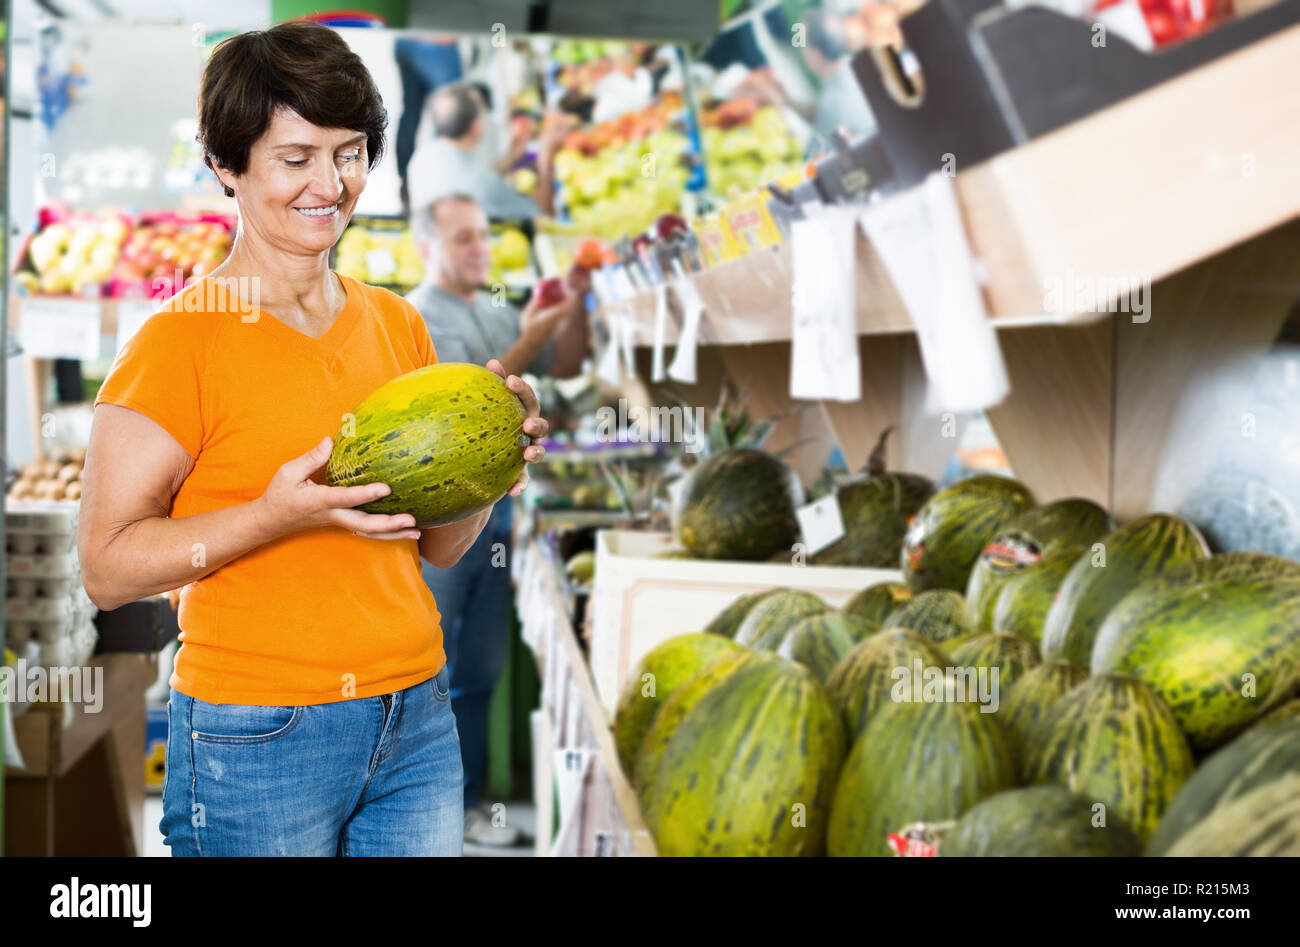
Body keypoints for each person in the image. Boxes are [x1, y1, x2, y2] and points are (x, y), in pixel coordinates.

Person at [76, 21, 549, 857]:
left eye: (351, 152)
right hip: (256, 734)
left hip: (414, 717)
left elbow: (438, 547)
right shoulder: (176, 343)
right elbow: (109, 569)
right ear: (227, 166)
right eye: (295, 158)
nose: (329, 184)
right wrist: (277, 514)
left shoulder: (398, 323)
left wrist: (494, 462)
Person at [405, 192, 586, 846]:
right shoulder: (424, 314)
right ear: (426, 247)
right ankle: (439, 814)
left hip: (493, 519)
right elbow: (474, 409)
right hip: (448, 525)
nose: (478, 248)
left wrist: (561, 315)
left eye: (483, 235)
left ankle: (470, 802)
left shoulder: (488, 309)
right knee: (440, 673)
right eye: (462, 239)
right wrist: (537, 328)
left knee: (478, 671)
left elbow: (559, 367)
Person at [406, 81, 569, 221]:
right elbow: (542, 218)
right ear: (475, 127)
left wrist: (509, 159)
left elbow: (471, 179)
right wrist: (546, 155)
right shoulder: (485, 185)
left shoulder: (422, 157)